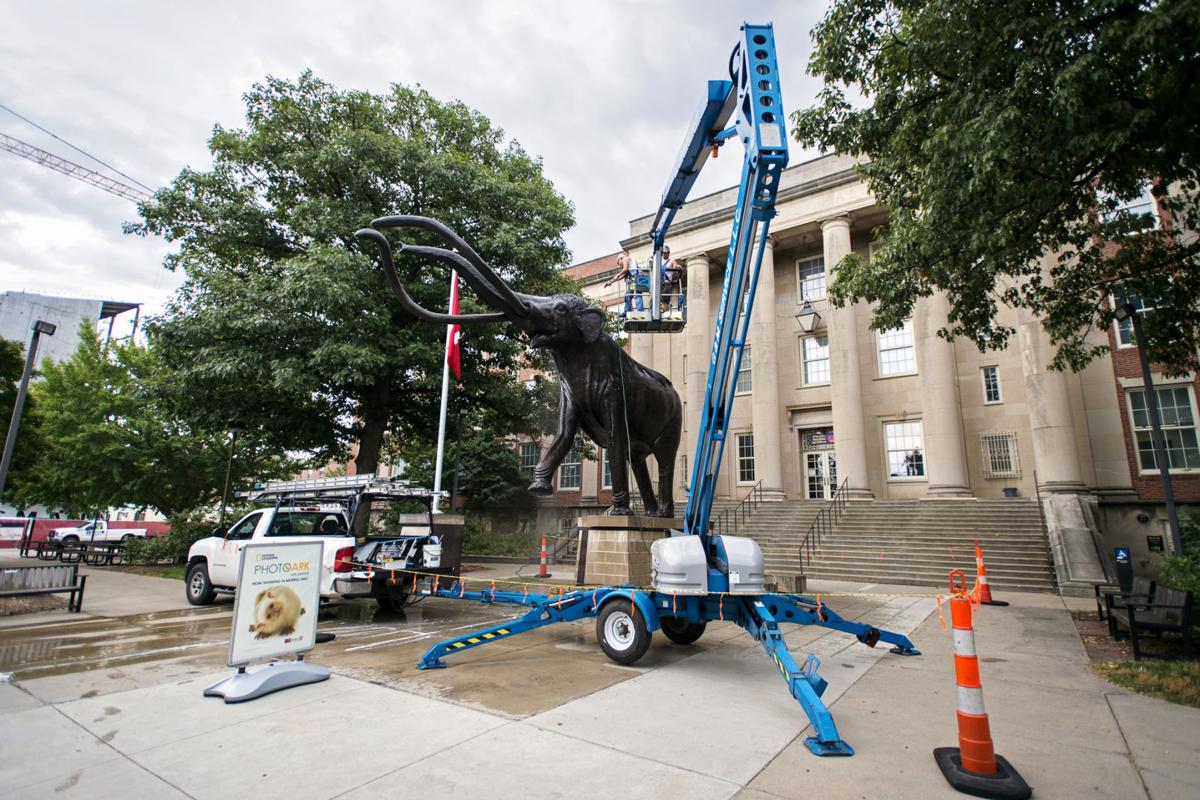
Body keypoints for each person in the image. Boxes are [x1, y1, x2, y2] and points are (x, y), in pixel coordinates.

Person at [604, 250, 648, 318]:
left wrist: (617, 275)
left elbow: (625, 269)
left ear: (620, 259)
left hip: (637, 279)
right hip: (634, 281)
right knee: (628, 295)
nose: (620, 265)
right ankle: (627, 311)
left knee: (637, 295)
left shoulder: (626, 259)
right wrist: (611, 281)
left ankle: (640, 312)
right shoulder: (627, 263)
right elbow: (622, 276)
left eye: (619, 263)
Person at [660, 245, 684, 317]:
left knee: (665, 300)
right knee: (659, 299)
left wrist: (677, 267)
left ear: (668, 253)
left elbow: (675, 265)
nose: (664, 254)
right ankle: (661, 312)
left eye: (666, 253)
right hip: (659, 283)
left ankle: (665, 314)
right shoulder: (659, 261)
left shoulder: (671, 261)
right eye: (663, 253)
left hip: (666, 283)